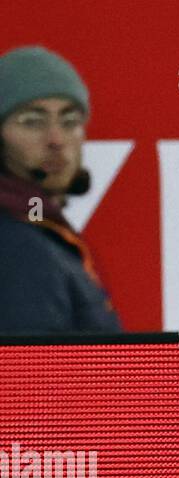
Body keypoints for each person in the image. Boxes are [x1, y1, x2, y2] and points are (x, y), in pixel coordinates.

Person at [0, 45, 121, 335]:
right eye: (32, 122)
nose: (56, 139)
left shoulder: (41, 235)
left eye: (70, 121)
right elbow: (29, 376)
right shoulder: (16, 245)